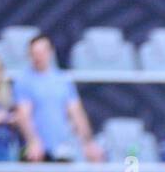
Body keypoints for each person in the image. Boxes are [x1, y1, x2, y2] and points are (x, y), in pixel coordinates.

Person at [12, 34, 104, 162]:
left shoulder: (63, 80)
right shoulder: (23, 81)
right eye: (34, 53)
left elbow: (76, 113)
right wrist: (33, 141)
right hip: (37, 152)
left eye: (42, 52)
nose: (38, 57)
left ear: (50, 52)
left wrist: (88, 142)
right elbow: (24, 115)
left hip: (62, 150)